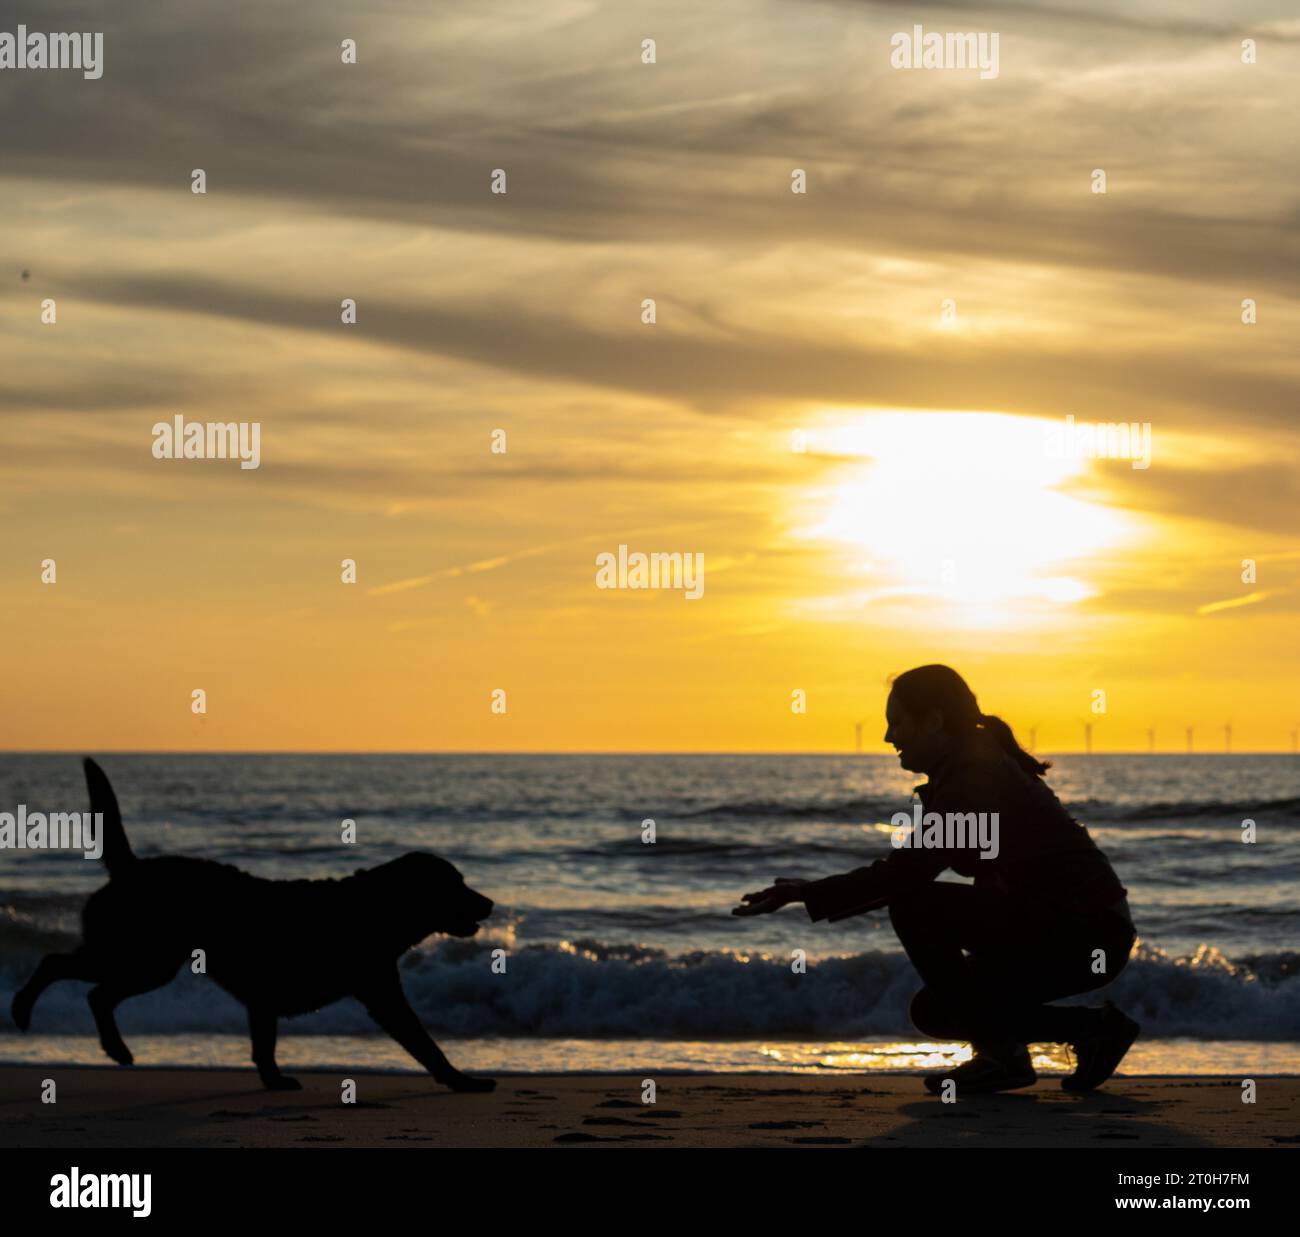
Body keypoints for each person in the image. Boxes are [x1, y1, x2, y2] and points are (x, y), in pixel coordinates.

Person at [733, 664, 1139, 1094]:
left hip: (1085, 933)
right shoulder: (968, 768)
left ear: (935, 721)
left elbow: (908, 873)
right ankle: (1092, 1028)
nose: (890, 737)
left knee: (915, 905)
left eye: (897, 723)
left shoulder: (975, 775)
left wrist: (806, 893)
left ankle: (1002, 1054)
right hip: (1058, 930)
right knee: (936, 1010)